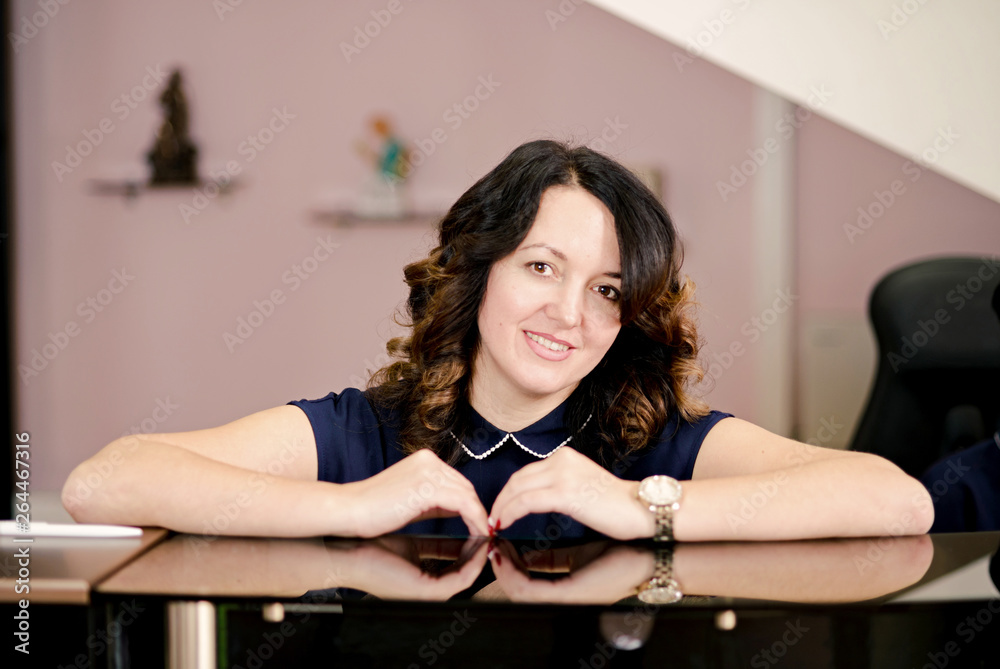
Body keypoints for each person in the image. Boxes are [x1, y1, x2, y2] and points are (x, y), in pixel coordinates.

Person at [63, 140, 933, 543]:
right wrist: (350, 505)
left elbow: (898, 502)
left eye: (606, 290)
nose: (571, 314)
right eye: (543, 268)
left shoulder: (658, 444)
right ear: (479, 270)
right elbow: (104, 481)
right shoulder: (365, 431)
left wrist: (641, 508)